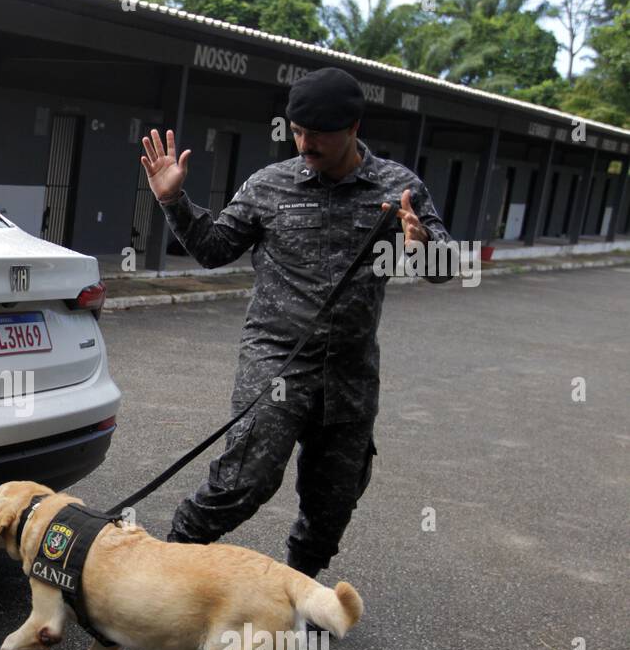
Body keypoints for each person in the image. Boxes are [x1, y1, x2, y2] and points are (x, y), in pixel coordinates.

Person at [139, 66, 453, 593]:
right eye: (297, 130)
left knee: (335, 496)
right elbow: (214, 249)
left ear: (353, 126)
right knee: (246, 480)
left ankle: (300, 588)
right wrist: (174, 201)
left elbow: (448, 265)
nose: (305, 143)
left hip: (351, 370)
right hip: (277, 358)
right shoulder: (269, 185)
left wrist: (426, 249)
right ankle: (165, 568)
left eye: (319, 133)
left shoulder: (399, 187)